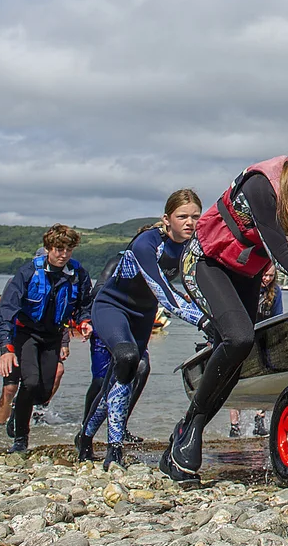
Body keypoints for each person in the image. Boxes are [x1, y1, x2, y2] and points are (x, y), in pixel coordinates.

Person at [161, 136, 288, 485]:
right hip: (207, 263)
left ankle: (185, 433)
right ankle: (189, 428)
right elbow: (284, 258)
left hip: (246, 271)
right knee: (238, 338)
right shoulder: (261, 187)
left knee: (241, 353)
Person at [77, 190, 207, 469]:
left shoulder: (193, 248)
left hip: (142, 316)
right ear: (166, 219)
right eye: (182, 216)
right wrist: (203, 321)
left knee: (129, 371)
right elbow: (162, 291)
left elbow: (199, 287)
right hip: (113, 307)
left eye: (195, 216)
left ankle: (85, 436)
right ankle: (113, 449)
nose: (189, 222)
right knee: (126, 360)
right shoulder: (147, 243)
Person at [0, 224, 93, 453]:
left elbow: (83, 305)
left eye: (68, 250)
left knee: (43, 392)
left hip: (53, 336)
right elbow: (7, 310)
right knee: (30, 382)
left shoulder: (78, 274)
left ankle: (19, 409)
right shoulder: (28, 272)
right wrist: (6, 348)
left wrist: (84, 322)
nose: (63, 255)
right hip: (27, 334)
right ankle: (21, 438)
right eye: (59, 249)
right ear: (49, 248)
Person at [0, 307, 68, 435]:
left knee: (58, 371)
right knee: (10, 388)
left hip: (44, 338)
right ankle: (1, 427)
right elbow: (1, 312)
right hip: (16, 339)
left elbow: (61, 311)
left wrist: (64, 342)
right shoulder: (17, 288)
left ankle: (39, 410)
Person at [229, 263, 284, 438]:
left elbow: (277, 317)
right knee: (236, 379)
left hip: (264, 340)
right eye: (264, 275)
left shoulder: (276, 293)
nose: (266, 279)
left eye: (270, 276)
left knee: (266, 380)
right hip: (244, 336)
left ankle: (259, 420)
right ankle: (234, 426)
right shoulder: (246, 287)